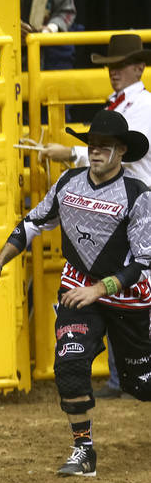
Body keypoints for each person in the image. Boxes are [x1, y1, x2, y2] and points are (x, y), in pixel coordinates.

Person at [0, 109, 151, 477]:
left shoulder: (137, 195)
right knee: (69, 364)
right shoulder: (69, 184)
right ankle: (83, 449)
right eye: (92, 144)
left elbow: (144, 262)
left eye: (105, 145)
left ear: (121, 151)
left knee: (140, 384)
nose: (97, 150)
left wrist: (99, 289)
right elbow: (31, 223)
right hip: (77, 290)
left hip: (128, 298)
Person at [39, 34, 151, 400]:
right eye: (110, 66)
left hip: (136, 210)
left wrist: (71, 152)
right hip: (121, 211)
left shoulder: (144, 108)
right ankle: (124, 378)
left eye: (119, 66)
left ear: (139, 66)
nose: (113, 72)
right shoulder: (127, 105)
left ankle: (126, 377)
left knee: (131, 288)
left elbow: (124, 156)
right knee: (122, 291)